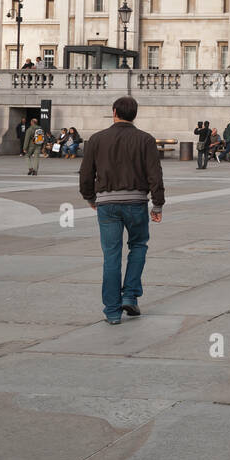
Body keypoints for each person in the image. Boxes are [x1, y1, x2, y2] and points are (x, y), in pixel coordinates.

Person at [78, 95, 165, 325]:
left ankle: (112, 312)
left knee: (111, 255)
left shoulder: (96, 139)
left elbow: (85, 174)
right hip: (136, 202)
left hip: (107, 204)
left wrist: (90, 197)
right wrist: (157, 203)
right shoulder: (145, 139)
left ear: (114, 112)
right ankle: (130, 295)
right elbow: (155, 174)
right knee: (138, 246)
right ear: (134, 114)